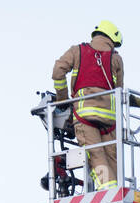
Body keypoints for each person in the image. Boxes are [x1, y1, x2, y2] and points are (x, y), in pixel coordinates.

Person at [52, 20, 125, 191]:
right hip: (109, 120)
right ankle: (116, 192)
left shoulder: (77, 51)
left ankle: (108, 192)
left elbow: (58, 71)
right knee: (112, 157)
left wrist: (62, 101)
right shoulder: (116, 59)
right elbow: (119, 91)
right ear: (111, 40)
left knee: (96, 156)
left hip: (84, 116)